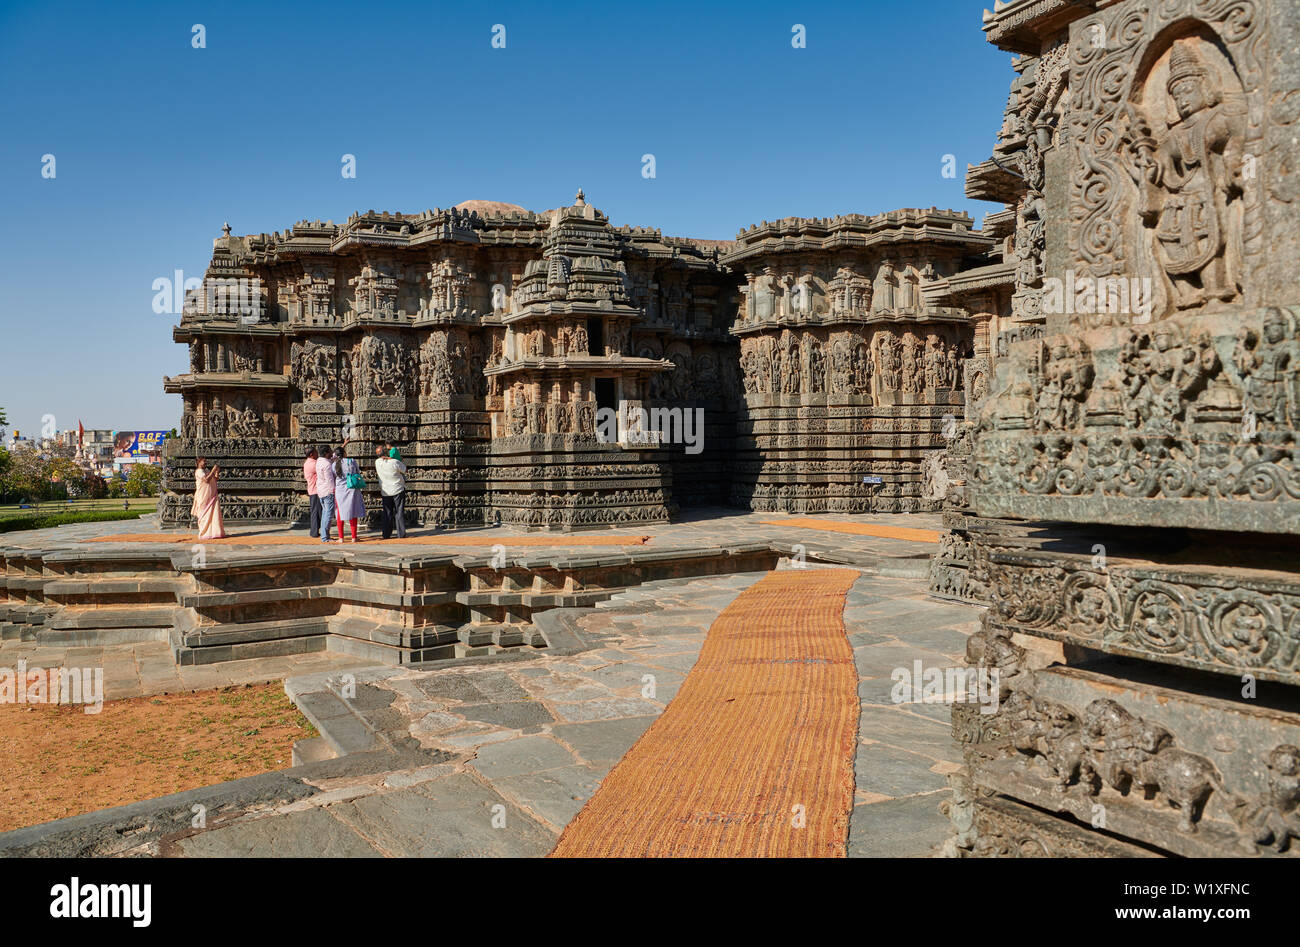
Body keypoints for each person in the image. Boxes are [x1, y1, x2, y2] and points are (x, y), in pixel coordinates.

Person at [333, 443, 366, 543]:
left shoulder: (334, 464)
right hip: (352, 489)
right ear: (345, 453)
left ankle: (341, 538)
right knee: (353, 512)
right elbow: (357, 473)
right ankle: (353, 537)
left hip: (340, 491)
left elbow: (334, 476)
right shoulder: (351, 461)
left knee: (340, 513)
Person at [375, 446, 408, 539]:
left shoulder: (377, 462)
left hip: (385, 490)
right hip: (397, 488)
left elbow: (382, 459)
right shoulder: (395, 462)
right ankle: (401, 533)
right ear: (387, 453)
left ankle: (386, 533)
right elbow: (405, 470)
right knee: (399, 511)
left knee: (387, 513)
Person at [192, 457, 226, 540]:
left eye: (206, 461)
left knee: (212, 514)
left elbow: (215, 478)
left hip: (211, 495)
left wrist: (217, 471)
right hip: (203, 495)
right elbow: (206, 480)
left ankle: (213, 532)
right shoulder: (199, 471)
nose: (205, 463)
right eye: (204, 461)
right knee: (204, 514)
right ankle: (204, 533)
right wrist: (213, 470)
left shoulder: (206, 470)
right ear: (199, 462)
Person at [315, 446, 337, 544]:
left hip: (321, 491)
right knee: (328, 515)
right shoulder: (327, 464)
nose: (332, 453)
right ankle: (325, 537)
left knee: (325, 514)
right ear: (326, 453)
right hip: (328, 492)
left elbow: (332, 458)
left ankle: (325, 535)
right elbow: (330, 480)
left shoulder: (319, 461)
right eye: (330, 451)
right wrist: (333, 491)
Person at [304, 447, 321, 537]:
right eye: (315, 452)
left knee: (317, 512)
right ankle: (314, 532)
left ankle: (315, 531)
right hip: (315, 491)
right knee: (317, 512)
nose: (317, 453)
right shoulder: (313, 464)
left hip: (313, 490)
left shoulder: (308, 463)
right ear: (311, 454)